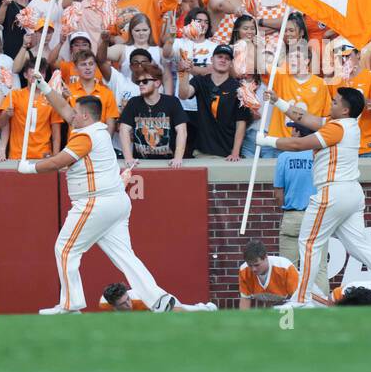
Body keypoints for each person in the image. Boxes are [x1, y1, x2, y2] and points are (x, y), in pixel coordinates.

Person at [19, 91, 176, 315]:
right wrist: (44, 87)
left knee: (65, 249)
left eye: (75, 112)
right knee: (125, 255)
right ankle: (158, 298)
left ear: (84, 116)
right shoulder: (94, 129)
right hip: (115, 202)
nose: (70, 114)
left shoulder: (85, 137)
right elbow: (64, 109)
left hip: (95, 201)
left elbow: (59, 162)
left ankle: (70, 304)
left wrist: (29, 168)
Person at [257, 87, 371, 308]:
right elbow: (304, 118)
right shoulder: (344, 124)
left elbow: (299, 144)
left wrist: (267, 141)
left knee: (309, 243)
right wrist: (278, 101)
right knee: (361, 247)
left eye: (336, 102)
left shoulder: (336, 128)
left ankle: (301, 298)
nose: (332, 103)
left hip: (333, 192)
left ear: (345, 110)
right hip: (351, 193)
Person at [176, 43, 249, 160]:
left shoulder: (239, 88)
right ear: (211, 59)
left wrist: (235, 152)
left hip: (228, 153)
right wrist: (184, 73)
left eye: (227, 58)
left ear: (231, 64)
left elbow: (241, 123)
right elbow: (183, 95)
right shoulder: (200, 81)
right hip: (202, 151)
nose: (223, 60)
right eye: (219, 56)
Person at [118, 62, 188, 167]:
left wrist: (178, 158)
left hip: (168, 163)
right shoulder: (133, 102)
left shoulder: (172, 102)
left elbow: (182, 130)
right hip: (140, 163)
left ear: (157, 83)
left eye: (145, 81)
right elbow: (123, 130)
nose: (141, 84)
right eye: (139, 82)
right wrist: (128, 157)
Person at [272, 124, 315, 262]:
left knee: (288, 268)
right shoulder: (319, 155)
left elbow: (278, 193)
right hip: (315, 215)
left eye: (293, 129)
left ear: (297, 132)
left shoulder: (284, 157)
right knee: (318, 267)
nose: (290, 133)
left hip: (292, 215)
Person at [238, 240, 299, 309]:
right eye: (250, 265)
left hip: (309, 299)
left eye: (257, 265)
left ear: (266, 257)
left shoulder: (285, 267)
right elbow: (245, 299)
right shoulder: (244, 270)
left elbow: (298, 300)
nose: (253, 269)